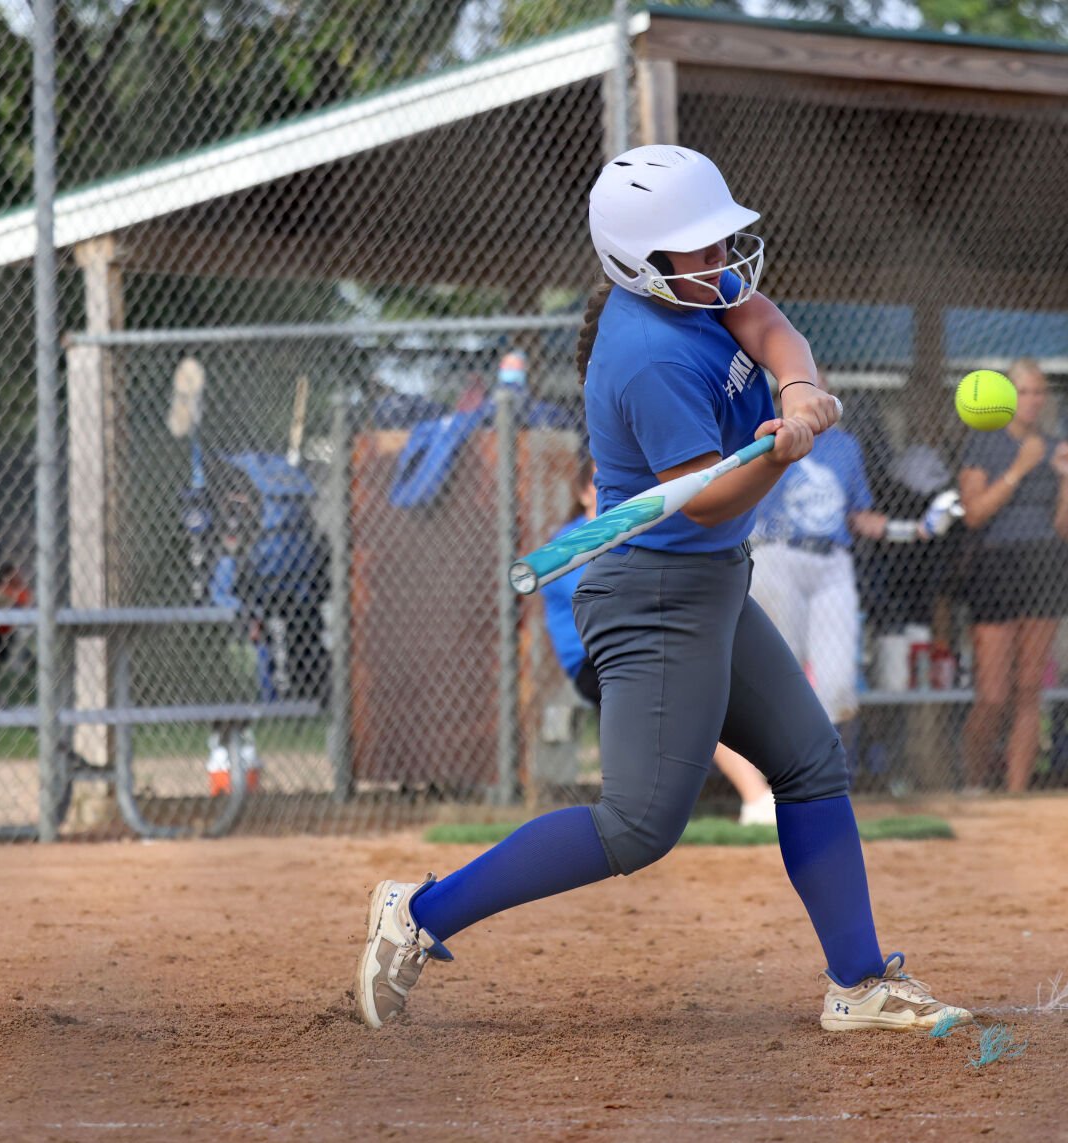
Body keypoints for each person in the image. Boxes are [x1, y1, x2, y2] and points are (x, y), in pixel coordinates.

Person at [357, 144, 970, 1035]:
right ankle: (416, 914)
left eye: (723, 240)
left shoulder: (701, 291)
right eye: (701, 247)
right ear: (640, 264)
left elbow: (767, 323)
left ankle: (859, 981)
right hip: (654, 595)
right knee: (639, 824)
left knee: (807, 761)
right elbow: (713, 494)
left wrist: (797, 391)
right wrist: (776, 454)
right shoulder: (645, 355)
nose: (722, 259)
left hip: (711, 579)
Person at [543, 458, 779, 826]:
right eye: (597, 483)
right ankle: (756, 798)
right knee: (689, 698)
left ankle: (753, 797)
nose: (608, 491)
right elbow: (611, 603)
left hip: (644, 645)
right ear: (582, 492)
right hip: (596, 659)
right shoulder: (573, 541)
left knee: (699, 692)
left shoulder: (634, 532)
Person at [746, 424, 958, 737]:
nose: (814, 385)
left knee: (838, 681)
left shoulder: (846, 445)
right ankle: (768, 779)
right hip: (777, 555)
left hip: (832, 560)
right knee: (779, 673)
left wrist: (917, 529)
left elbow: (858, 516)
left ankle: (819, 773)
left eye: (817, 377)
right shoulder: (763, 435)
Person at [955, 359, 1068, 793]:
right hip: (996, 564)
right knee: (993, 694)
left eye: (1039, 392)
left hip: (1043, 563)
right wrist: (1021, 469)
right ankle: (974, 782)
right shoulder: (985, 443)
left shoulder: (1054, 445)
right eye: (1023, 392)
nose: (1032, 401)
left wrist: (1067, 482)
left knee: (1029, 688)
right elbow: (973, 514)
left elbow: (1067, 528)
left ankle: (1017, 793)